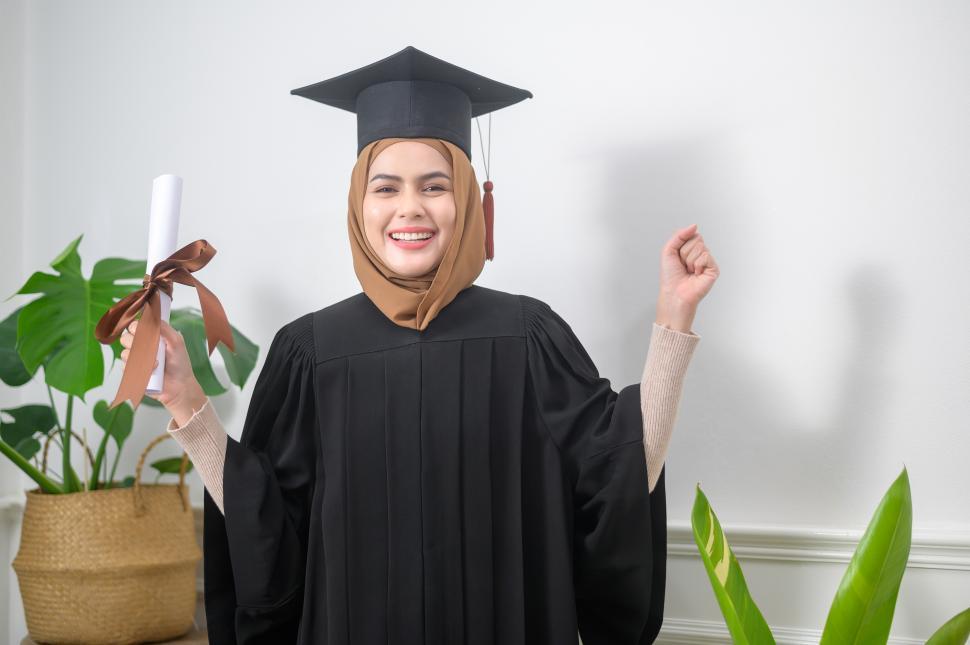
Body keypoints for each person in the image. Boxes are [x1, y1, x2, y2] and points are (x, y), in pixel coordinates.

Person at [119, 46, 718, 645]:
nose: (410, 208)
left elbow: (620, 475)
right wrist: (185, 399)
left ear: (469, 201)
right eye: (385, 188)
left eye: (435, 185)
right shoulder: (310, 353)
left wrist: (674, 319)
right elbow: (265, 527)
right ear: (358, 204)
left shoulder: (529, 338)